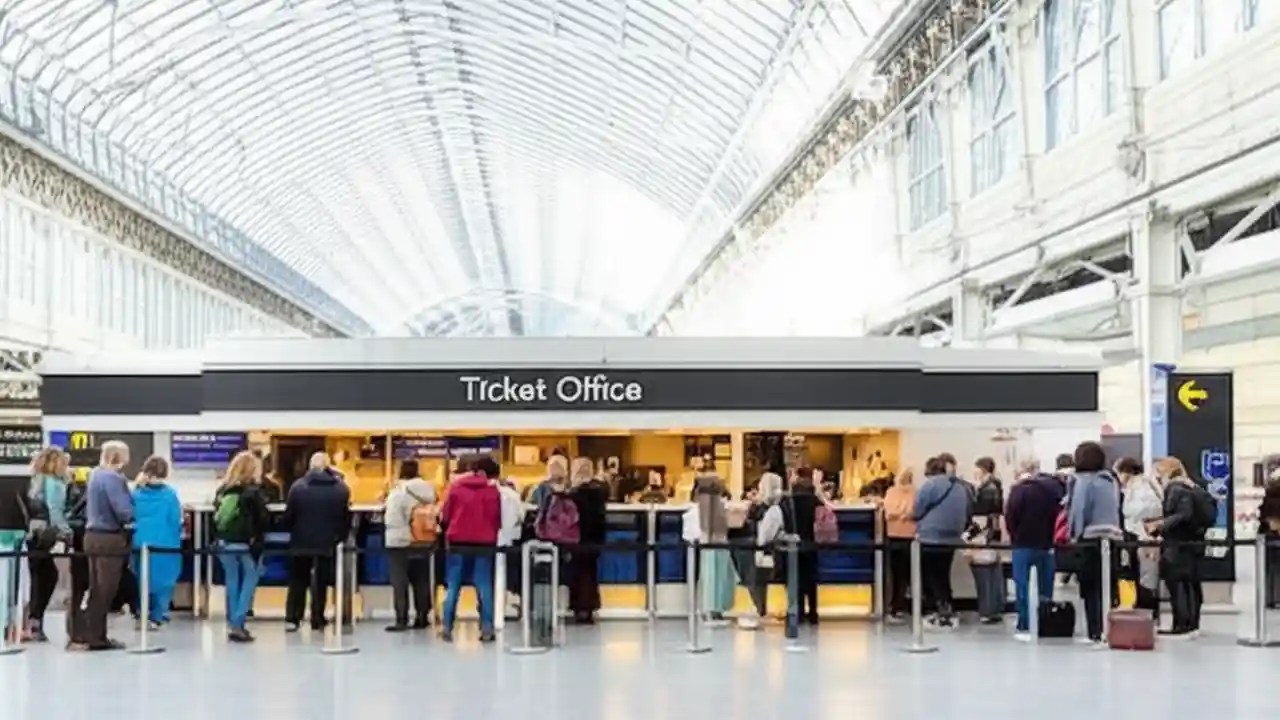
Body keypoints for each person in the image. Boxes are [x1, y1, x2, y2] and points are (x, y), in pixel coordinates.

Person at [75, 440, 135, 651]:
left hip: (91, 536)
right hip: (109, 538)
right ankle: (97, 638)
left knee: (96, 588)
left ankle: (93, 634)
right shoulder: (113, 478)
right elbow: (123, 510)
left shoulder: (95, 475)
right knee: (106, 590)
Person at [282, 452, 351, 633]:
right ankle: (317, 618)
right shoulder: (340, 488)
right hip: (327, 542)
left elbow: (289, 516)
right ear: (329, 466)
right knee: (320, 582)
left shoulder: (297, 487)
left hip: (301, 540)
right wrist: (339, 537)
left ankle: (293, 618)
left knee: (298, 581)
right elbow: (345, 518)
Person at [440, 454, 502, 643]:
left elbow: (446, 515)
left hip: (458, 541)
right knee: (484, 585)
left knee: (453, 585)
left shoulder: (455, 488)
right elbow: (496, 518)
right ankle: (487, 628)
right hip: (484, 542)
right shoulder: (492, 491)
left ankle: (447, 627)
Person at [1065, 441, 1122, 644]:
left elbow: (1079, 510)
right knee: (1107, 586)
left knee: (1090, 588)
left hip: (1089, 539)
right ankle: (1109, 629)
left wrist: (1073, 535)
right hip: (1112, 537)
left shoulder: (1083, 481)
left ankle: (1094, 631)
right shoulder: (1110, 480)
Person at [1005, 459, 1064, 641]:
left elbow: (1010, 517)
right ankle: (1046, 620)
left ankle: (1024, 623)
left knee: (1021, 585)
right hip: (1046, 544)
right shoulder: (1051, 490)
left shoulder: (1018, 491)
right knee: (1046, 586)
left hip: (1022, 544)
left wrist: (1015, 536)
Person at [1146, 457, 1205, 637]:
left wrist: (1160, 525)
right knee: (1191, 584)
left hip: (1176, 544)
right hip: (1192, 543)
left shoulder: (1174, 488)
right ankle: (1191, 622)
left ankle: (1181, 623)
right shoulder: (1191, 486)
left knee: (1177, 584)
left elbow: (1182, 514)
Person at [214, 451, 270, 641]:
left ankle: (232, 622)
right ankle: (238, 622)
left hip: (224, 542)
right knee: (250, 578)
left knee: (231, 580)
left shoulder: (222, 491)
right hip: (245, 544)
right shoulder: (253, 492)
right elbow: (263, 520)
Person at [912, 455, 971, 630]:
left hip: (930, 537)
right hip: (952, 537)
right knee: (943, 574)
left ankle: (938, 613)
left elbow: (917, 509)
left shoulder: (930, 485)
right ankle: (947, 609)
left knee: (931, 577)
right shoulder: (960, 487)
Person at [383, 459, 436, 632]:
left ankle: (401, 619)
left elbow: (392, 518)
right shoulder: (429, 491)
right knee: (421, 579)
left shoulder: (399, 491)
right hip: (422, 538)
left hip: (399, 541)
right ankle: (422, 616)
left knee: (400, 580)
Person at [130, 456, 182, 630]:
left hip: (139, 543)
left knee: (141, 581)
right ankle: (157, 616)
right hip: (165, 543)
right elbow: (175, 520)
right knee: (163, 583)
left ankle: (141, 613)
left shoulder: (135, 493)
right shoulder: (169, 495)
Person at [25, 447, 71, 642]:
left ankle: (32, 621)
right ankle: (35, 621)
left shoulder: (36, 481)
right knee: (47, 577)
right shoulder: (54, 483)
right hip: (45, 535)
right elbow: (55, 511)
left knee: (37, 578)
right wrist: (66, 531)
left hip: (32, 535)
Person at [1116, 457, 1163, 624]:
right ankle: (1145, 612)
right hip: (1143, 536)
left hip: (1142, 536)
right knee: (1144, 575)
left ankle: (1146, 613)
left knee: (1144, 577)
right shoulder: (1146, 485)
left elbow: (1138, 511)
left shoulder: (1139, 487)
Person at [735, 472, 782, 630]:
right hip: (771, 551)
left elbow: (763, 538)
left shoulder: (768, 510)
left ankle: (760, 607)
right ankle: (760, 607)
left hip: (765, 551)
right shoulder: (773, 507)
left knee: (751, 570)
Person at [693, 461, 735, 624]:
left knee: (709, 573)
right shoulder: (718, 492)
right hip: (718, 539)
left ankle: (708, 608)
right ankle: (714, 609)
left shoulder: (700, 493)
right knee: (718, 575)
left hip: (707, 540)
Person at [569, 457, 608, 624]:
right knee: (591, 573)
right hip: (595, 538)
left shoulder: (573, 493)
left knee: (577, 574)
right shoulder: (599, 492)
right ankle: (590, 607)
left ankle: (579, 608)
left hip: (576, 538)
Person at [966, 457, 1005, 625]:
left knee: (983, 574)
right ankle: (995, 608)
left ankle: (987, 610)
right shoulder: (996, 486)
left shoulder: (986, 490)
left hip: (983, 536)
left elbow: (981, 519)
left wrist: (968, 536)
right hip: (993, 535)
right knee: (993, 573)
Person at [882, 468, 916, 622]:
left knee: (895, 574)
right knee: (909, 574)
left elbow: (889, 513)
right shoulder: (916, 492)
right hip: (911, 536)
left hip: (894, 535)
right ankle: (904, 606)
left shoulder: (891, 492)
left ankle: (894, 606)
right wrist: (905, 515)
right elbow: (913, 512)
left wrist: (898, 514)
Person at [0, 473, 28, 645]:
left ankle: (9, 630)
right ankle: (10, 630)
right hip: (13, 540)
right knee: (12, 587)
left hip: (10, 540)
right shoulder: (16, 487)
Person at [1260, 470, 1280, 609]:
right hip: (1274, 534)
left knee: (1271, 569)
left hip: (1270, 535)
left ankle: (1271, 597)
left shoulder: (1268, 499)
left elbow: (1263, 517)